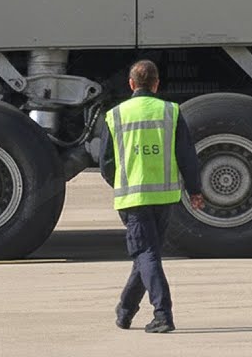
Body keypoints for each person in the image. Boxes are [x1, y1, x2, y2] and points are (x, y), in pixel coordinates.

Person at [97, 58, 203, 333]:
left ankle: (162, 314)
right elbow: (187, 156)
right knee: (148, 254)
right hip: (164, 197)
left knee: (145, 254)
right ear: (156, 84)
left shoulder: (115, 115)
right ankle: (125, 311)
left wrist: (120, 183)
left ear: (131, 84)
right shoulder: (171, 112)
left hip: (133, 199)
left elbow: (106, 163)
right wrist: (194, 190)